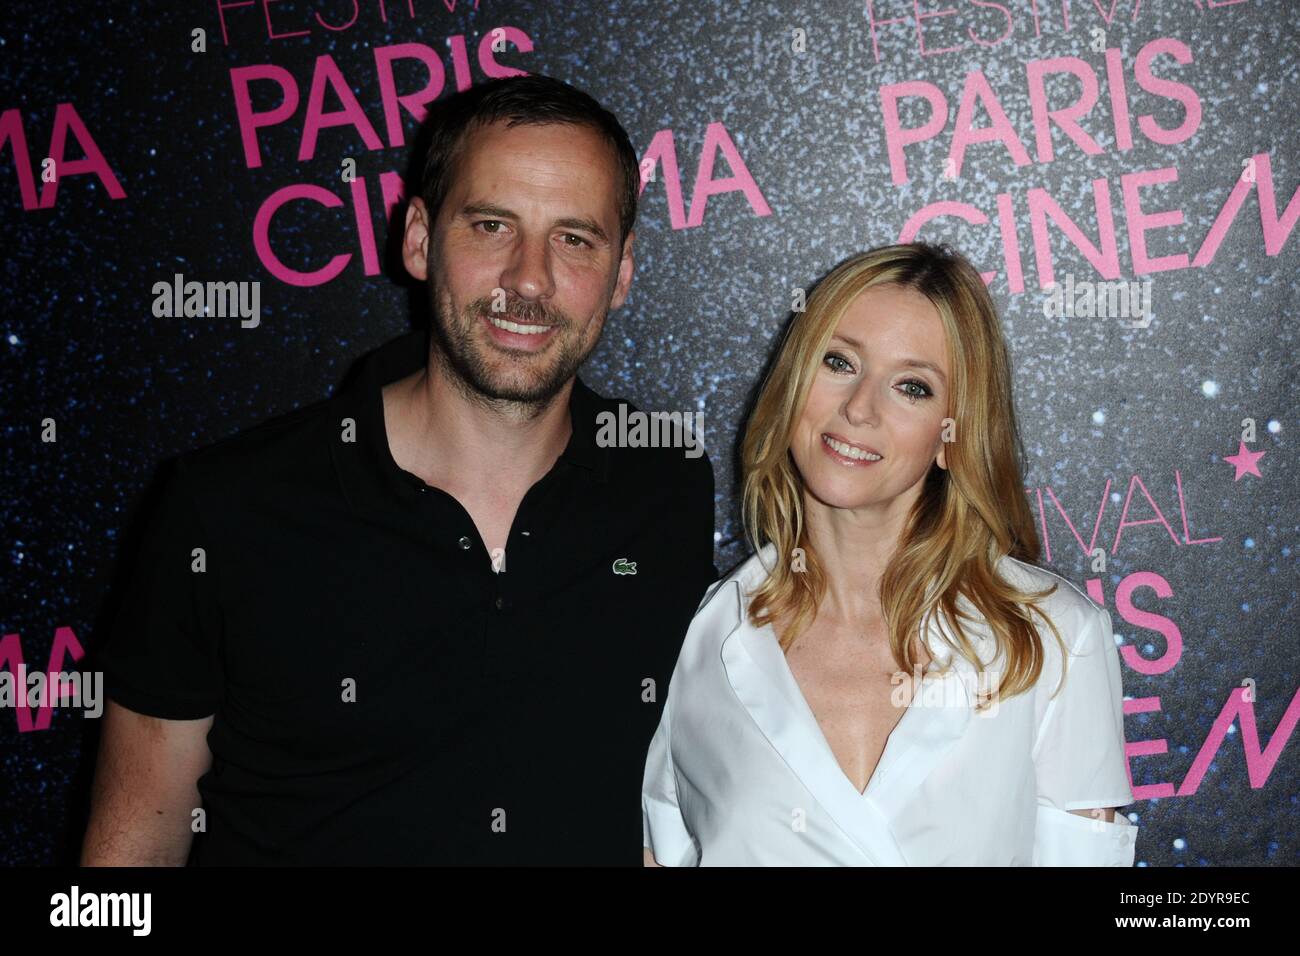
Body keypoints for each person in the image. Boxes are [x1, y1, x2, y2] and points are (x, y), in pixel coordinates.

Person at [82, 74, 717, 865]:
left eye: (574, 239)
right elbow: (123, 863)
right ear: (419, 238)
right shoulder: (227, 509)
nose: (528, 278)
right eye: (491, 226)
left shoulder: (666, 484)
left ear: (621, 274)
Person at [641, 242, 1138, 866]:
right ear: (794, 380)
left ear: (953, 436)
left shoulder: (1054, 638)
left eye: (911, 386)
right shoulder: (700, 632)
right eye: (839, 361)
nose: (859, 408)